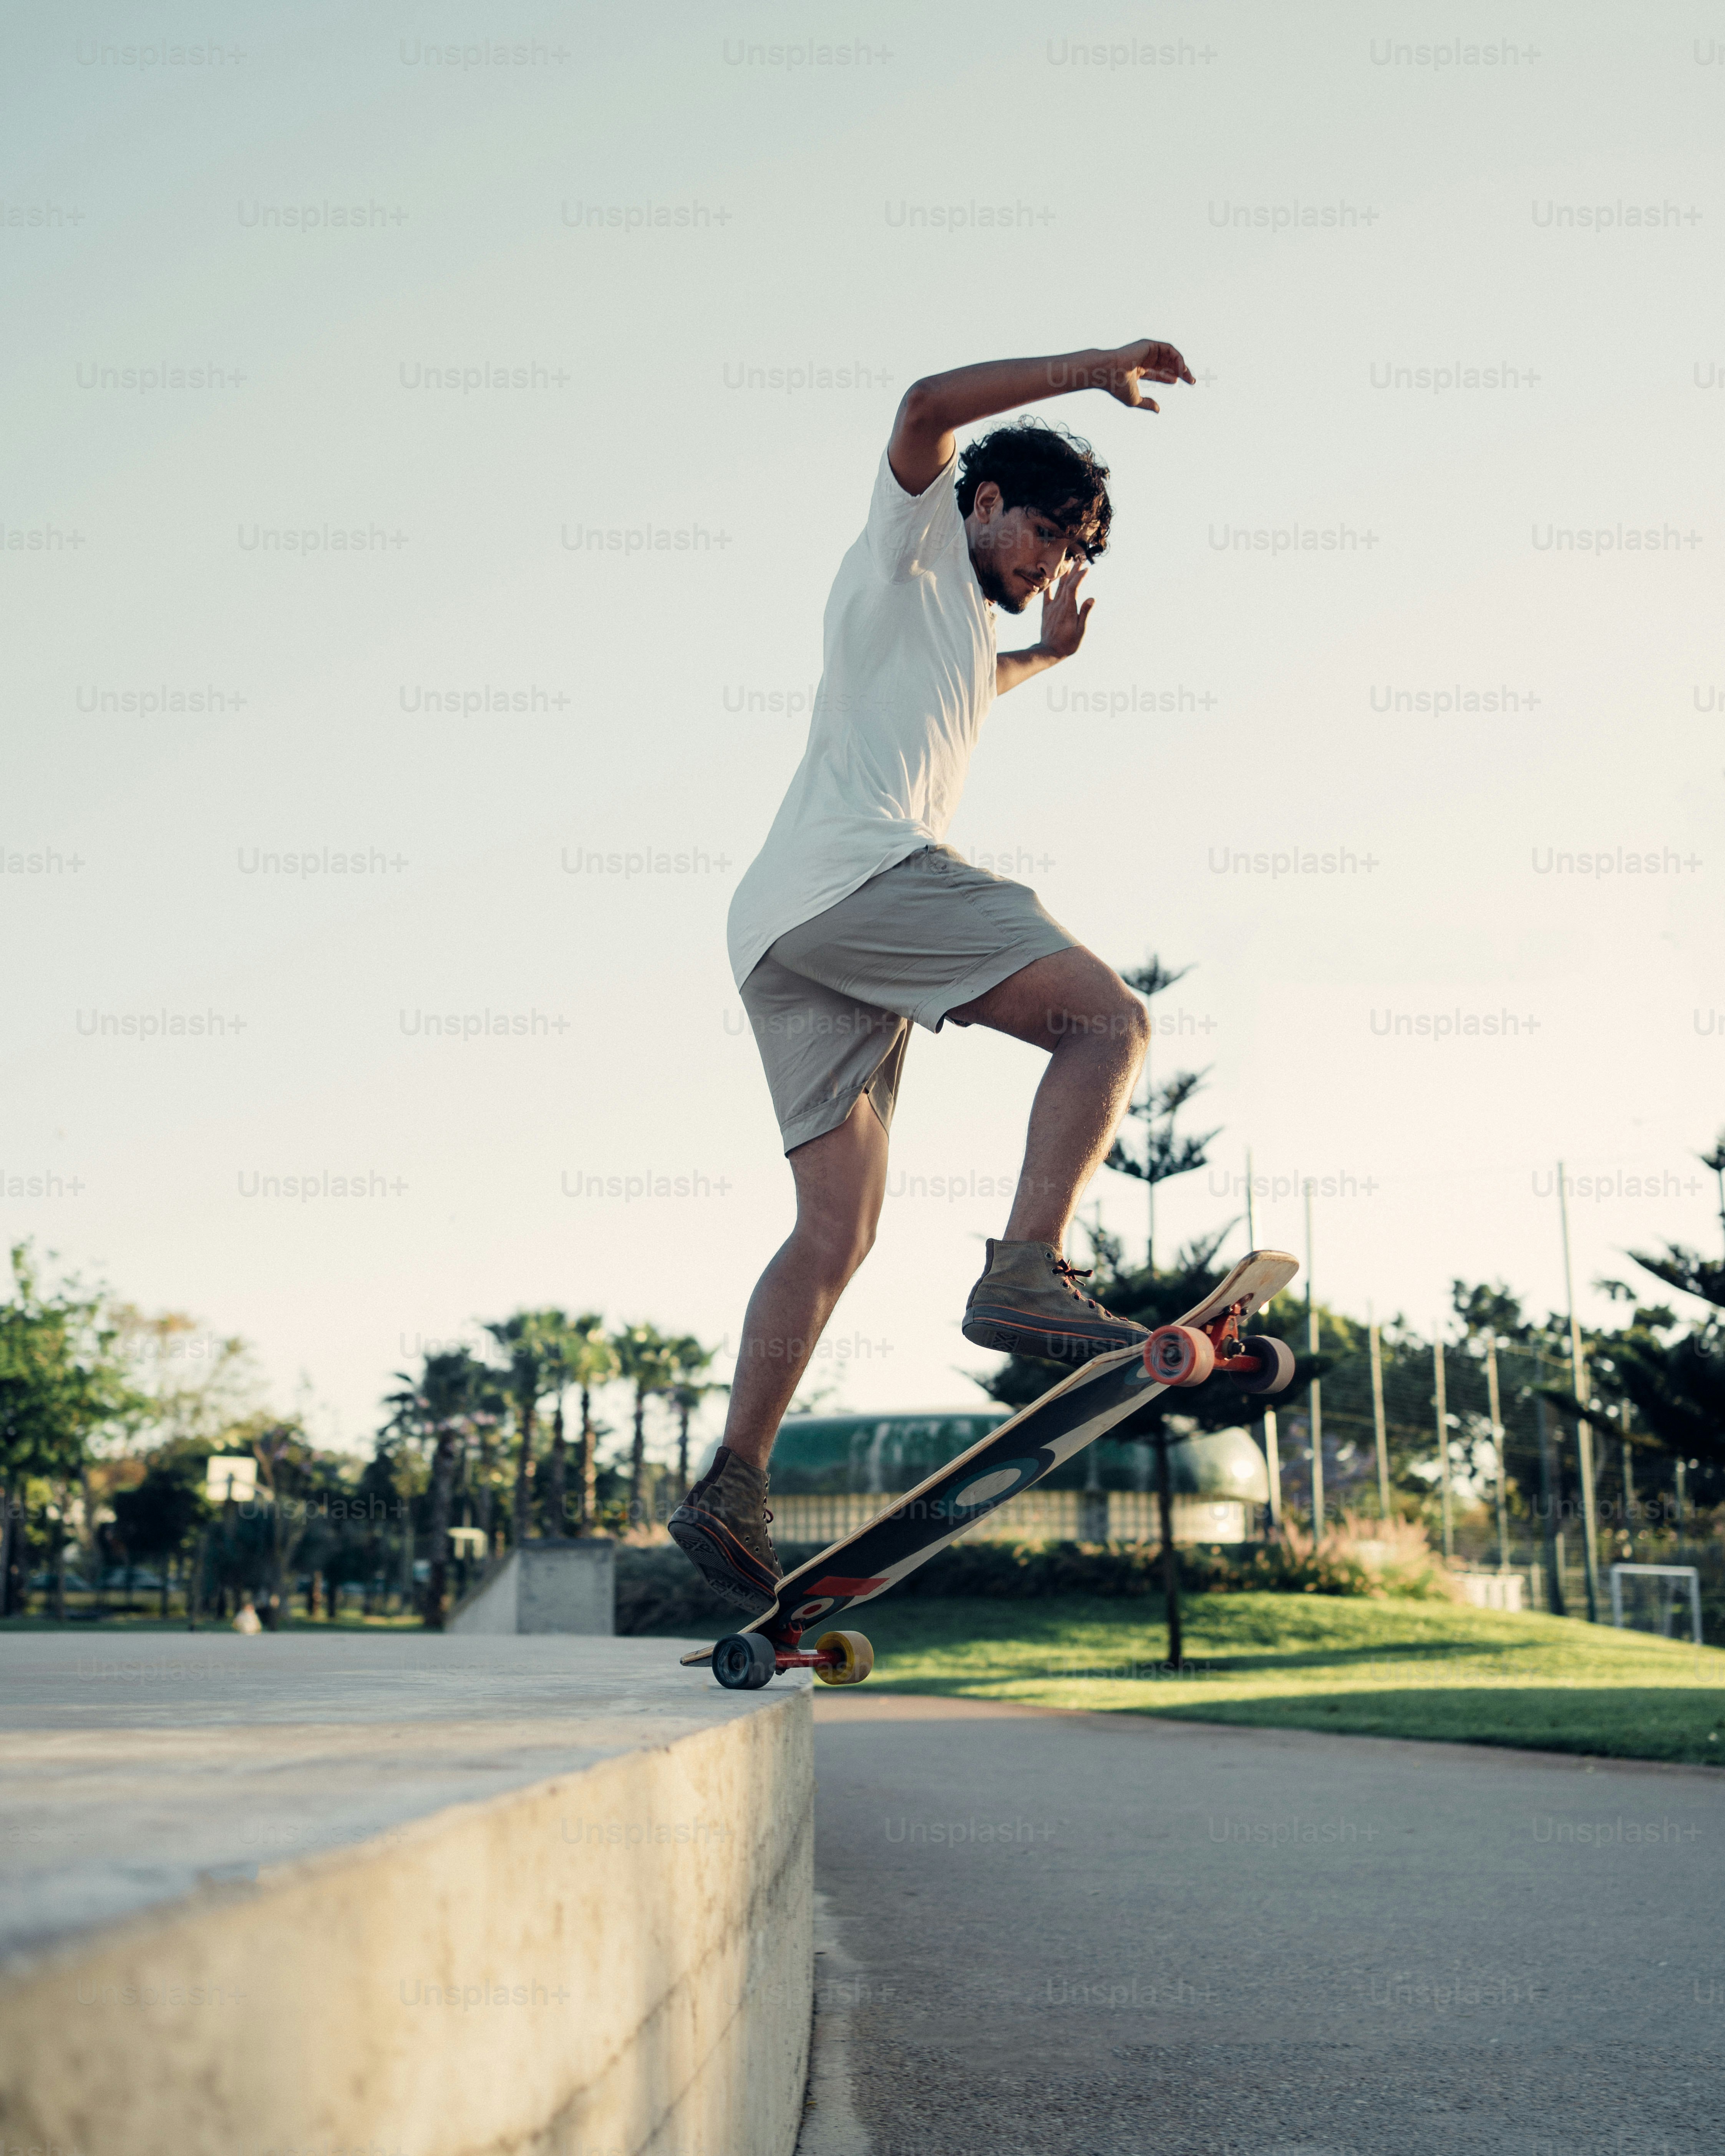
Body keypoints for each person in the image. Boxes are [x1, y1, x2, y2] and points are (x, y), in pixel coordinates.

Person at [669, 339, 1195, 1614]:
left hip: (784, 935)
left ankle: (732, 1480)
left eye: (1074, 556)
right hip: (861, 881)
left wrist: (1045, 661)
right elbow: (918, 405)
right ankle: (1023, 1270)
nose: (1051, 565)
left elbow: (960, 697)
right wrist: (1094, 373)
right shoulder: (907, 541)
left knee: (834, 1232)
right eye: (1046, 534)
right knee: (1105, 1021)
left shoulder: (953, 628)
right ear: (978, 501)